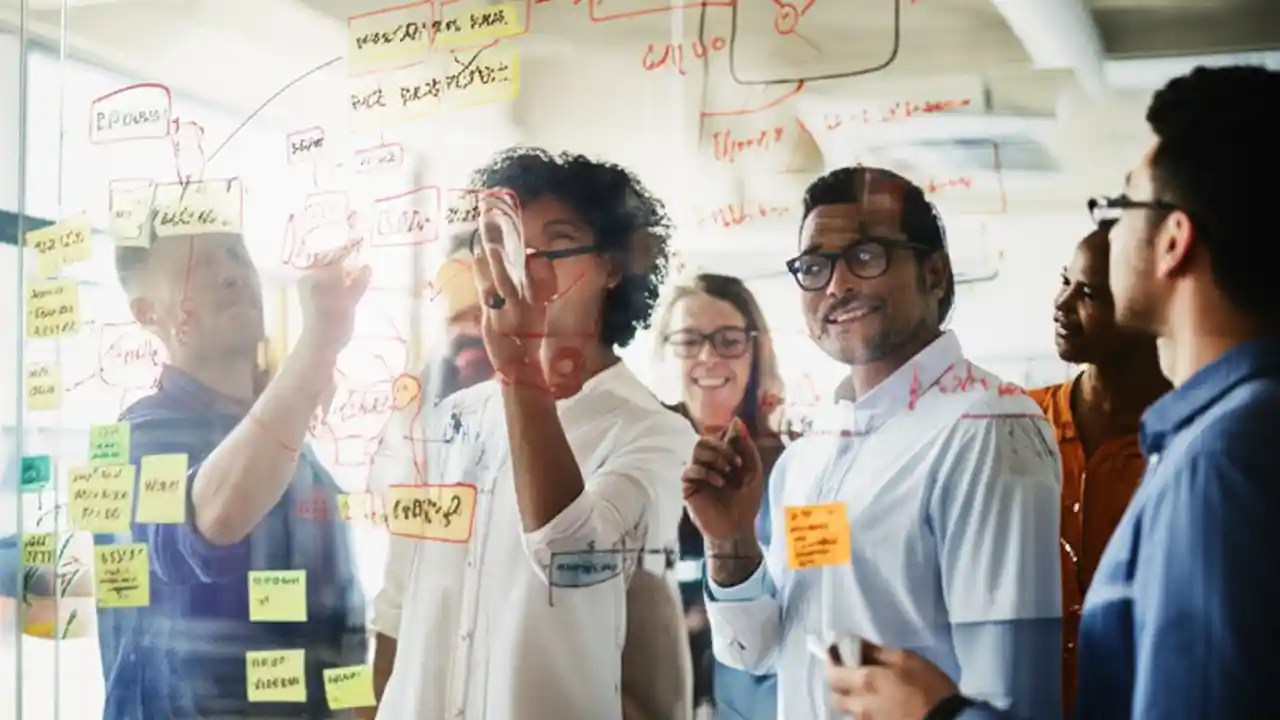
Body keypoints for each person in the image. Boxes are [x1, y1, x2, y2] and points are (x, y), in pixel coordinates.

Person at [826, 65, 1280, 720]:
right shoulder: (1221, 436)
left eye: (1122, 207)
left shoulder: (1221, 461)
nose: (839, 288)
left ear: (1174, 242)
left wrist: (940, 715)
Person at [685, 166, 1063, 720]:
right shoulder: (810, 457)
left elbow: (1016, 701)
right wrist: (732, 544)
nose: (836, 285)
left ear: (934, 275)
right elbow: (764, 652)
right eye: (815, 267)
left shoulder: (986, 428)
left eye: (866, 256)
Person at [368, 148, 699, 720]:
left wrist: (521, 371)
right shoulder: (446, 422)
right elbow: (396, 610)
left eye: (558, 244)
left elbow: (572, 557)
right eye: (507, 245)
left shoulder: (654, 434)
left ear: (612, 266)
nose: (528, 269)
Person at [99, 226, 369, 718]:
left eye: (235, 255)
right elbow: (211, 522)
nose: (229, 274)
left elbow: (341, 630)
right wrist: (316, 349)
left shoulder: (304, 461)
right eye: (197, 265)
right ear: (147, 313)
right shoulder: (133, 444)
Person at [1029, 223, 1168, 718]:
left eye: (1088, 293)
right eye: (1064, 281)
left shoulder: (1182, 445)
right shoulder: (1016, 421)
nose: (1061, 305)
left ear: (1146, 307)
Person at [652, 273, 786, 717]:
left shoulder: (797, 465)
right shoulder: (637, 456)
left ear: (757, 350)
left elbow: (822, 589)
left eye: (728, 340)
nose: (708, 357)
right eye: (689, 340)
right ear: (664, 351)